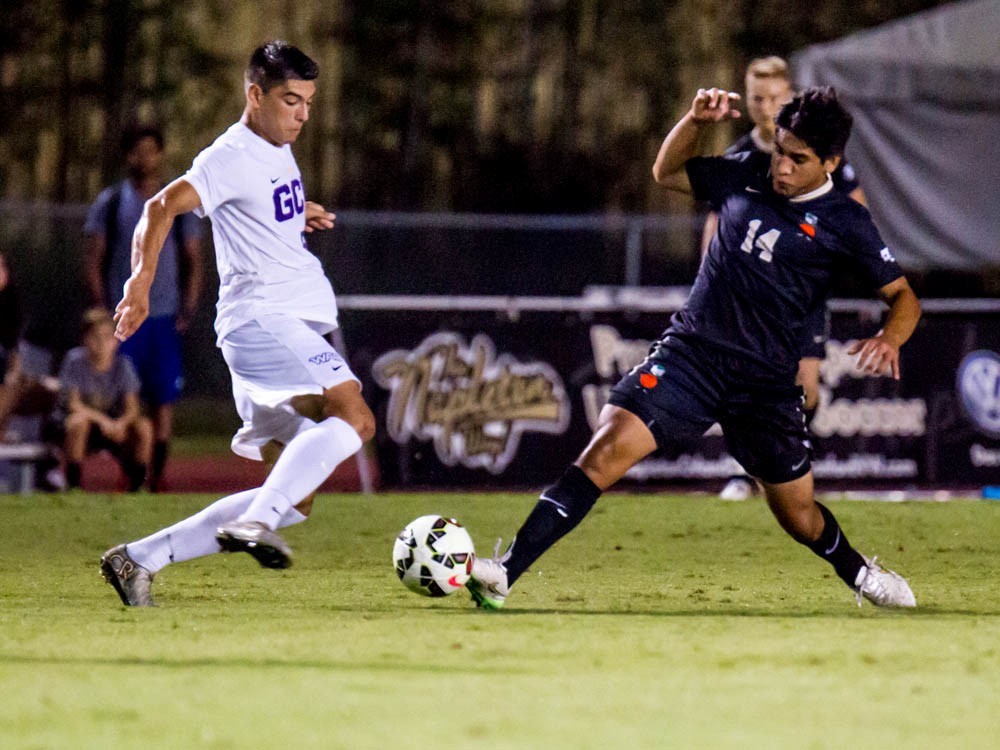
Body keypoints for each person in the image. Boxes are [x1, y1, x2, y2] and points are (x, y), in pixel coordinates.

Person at [467, 85, 922, 611]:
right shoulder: (745, 170)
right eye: (780, 149)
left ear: (831, 162)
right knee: (606, 448)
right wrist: (694, 121)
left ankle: (859, 572)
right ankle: (505, 571)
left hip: (766, 385)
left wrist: (891, 336)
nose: (783, 167)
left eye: (799, 159)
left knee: (798, 516)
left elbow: (904, 296)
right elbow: (666, 173)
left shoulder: (847, 222)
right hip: (693, 356)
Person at [100, 41, 375, 607]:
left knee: (294, 500)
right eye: (290, 100)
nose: (302, 114)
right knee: (356, 416)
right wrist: (140, 284)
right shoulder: (230, 155)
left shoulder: (273, 147)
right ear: (255, 95)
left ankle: (138, 559)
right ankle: (256, 524)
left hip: (266, 329)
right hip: (265, 322)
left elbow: (251, 206)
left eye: (308, 103)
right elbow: (159, 208)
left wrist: (300, 211)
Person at [704, 57, 865, 501]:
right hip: (750, 297)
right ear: (747, 98)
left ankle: (783, 464)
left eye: (775, 97)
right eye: (757, 98)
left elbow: (855, 210)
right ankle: (748, 473)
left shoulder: (814, 148)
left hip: (800, 295)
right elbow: (716, 222)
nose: (766, 105)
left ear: (789, 95)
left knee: (806, 387)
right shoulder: (739, 156)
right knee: (747, 385)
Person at [84, 124, 205, 492]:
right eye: (137, 150)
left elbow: (194, 259)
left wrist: (188, 306)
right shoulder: (113, 203)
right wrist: (103, 308)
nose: (145, 158)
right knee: (128, 398)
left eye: (152, 150)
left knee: (162, 399)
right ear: (127, 155)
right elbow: (93, 258)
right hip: (124, 318)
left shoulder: (177, 202)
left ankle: (158, 479)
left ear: (161, 154)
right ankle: (132, 475)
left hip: (164, 317)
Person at [57, 308, 153, 491]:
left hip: (114, 427)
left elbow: (132, 408)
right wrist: (104, 422)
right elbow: (73, 404)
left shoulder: (123, 365)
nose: (101, 343)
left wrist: (120, 424)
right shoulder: (75, 362)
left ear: (116, 340)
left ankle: (138, 485)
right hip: (87, 425)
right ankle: (74, 485)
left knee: (144, 427)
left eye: (107, 337)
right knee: (78, 423)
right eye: (95, 337)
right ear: (85, 339)